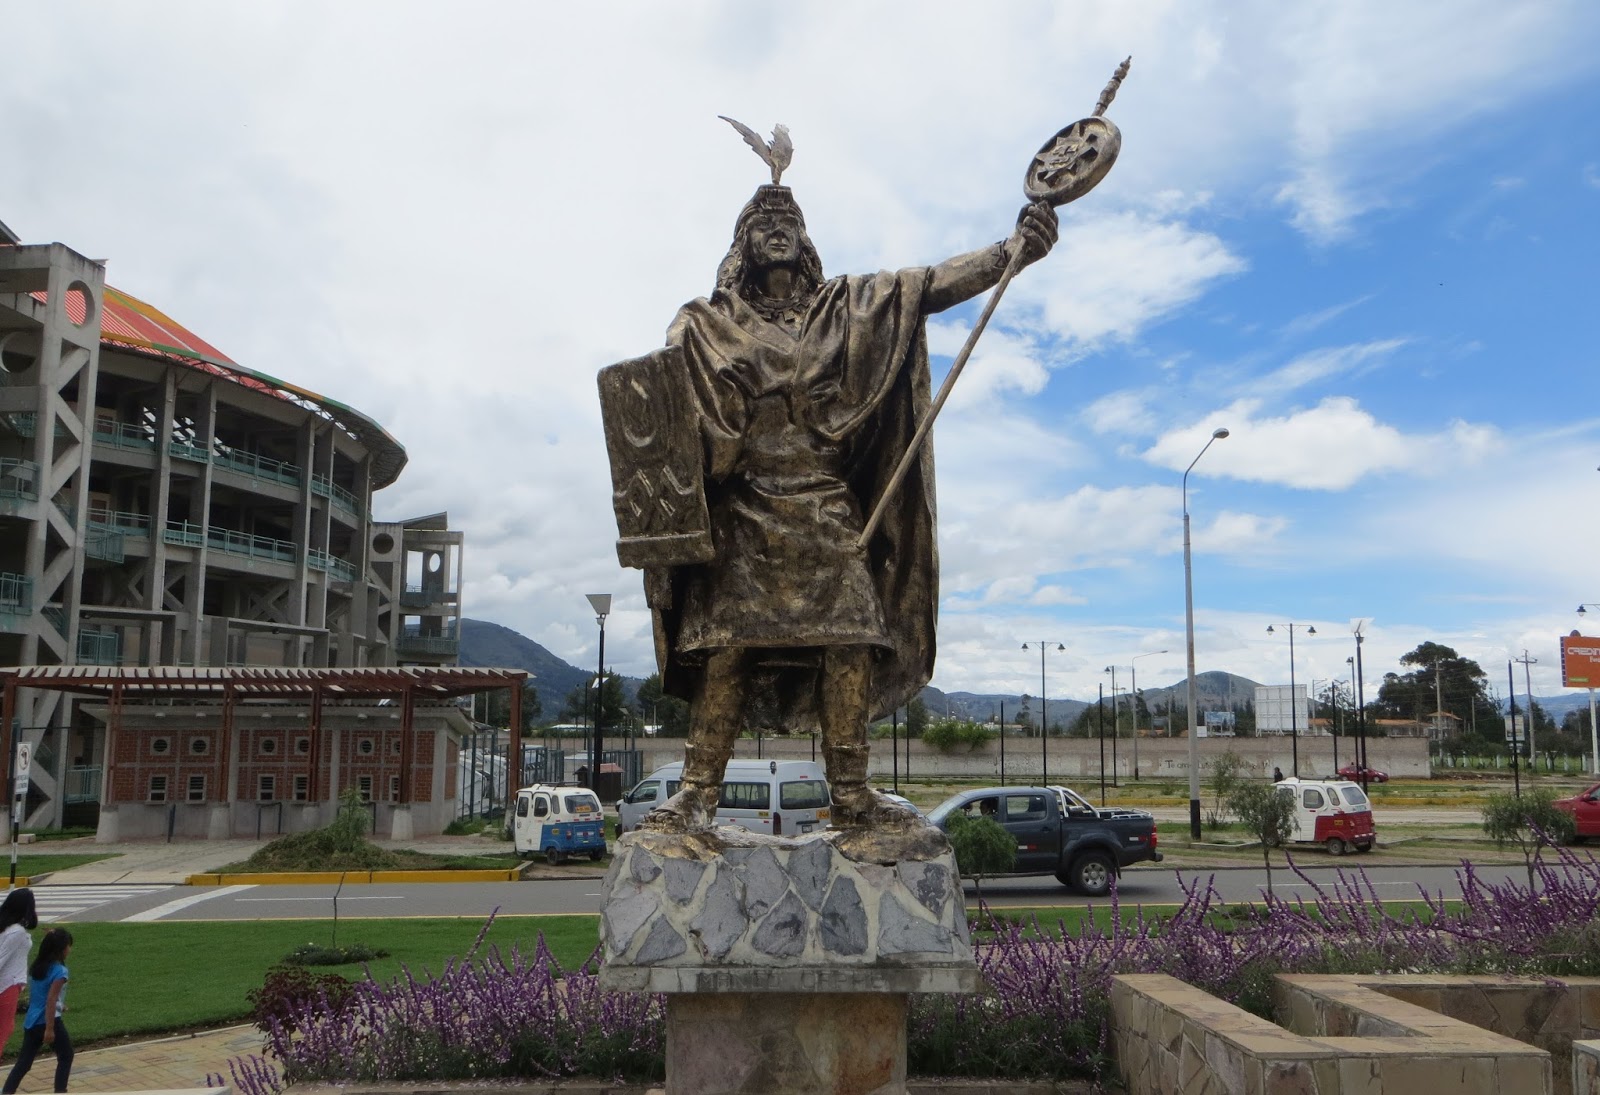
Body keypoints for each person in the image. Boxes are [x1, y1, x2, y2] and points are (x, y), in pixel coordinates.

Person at [629, 141, 1058, 833]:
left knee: (850, 639)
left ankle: (852, 792)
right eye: (762, 218)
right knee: (727, 647)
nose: (777, 226)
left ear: (804, 242)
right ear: (741, 243)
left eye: (789, 219)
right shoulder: (707, 322)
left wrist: (1010, 251)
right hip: (742, 510)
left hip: (826, 504)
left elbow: (926, 285)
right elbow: (656, 402)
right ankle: (698, 793)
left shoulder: (847, 307)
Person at [3, 927, 73, 1094]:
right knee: (66, 1056)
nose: (70, 949)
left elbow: (42, 995)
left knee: (23, 1063)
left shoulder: (37, 968)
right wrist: (49, 1029)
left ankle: (7, 1092)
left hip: (31, 1022)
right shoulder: (60, 972)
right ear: (62, 949)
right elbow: (50, 1000)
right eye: (69, 945)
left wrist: (60, 1005)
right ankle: (60, 1091)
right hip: (49, 1022)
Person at [0, 890, 38, 1056]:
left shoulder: (6, 928)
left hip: (9, 983)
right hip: (7, 985)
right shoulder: (17, 932)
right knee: (4, 1029)